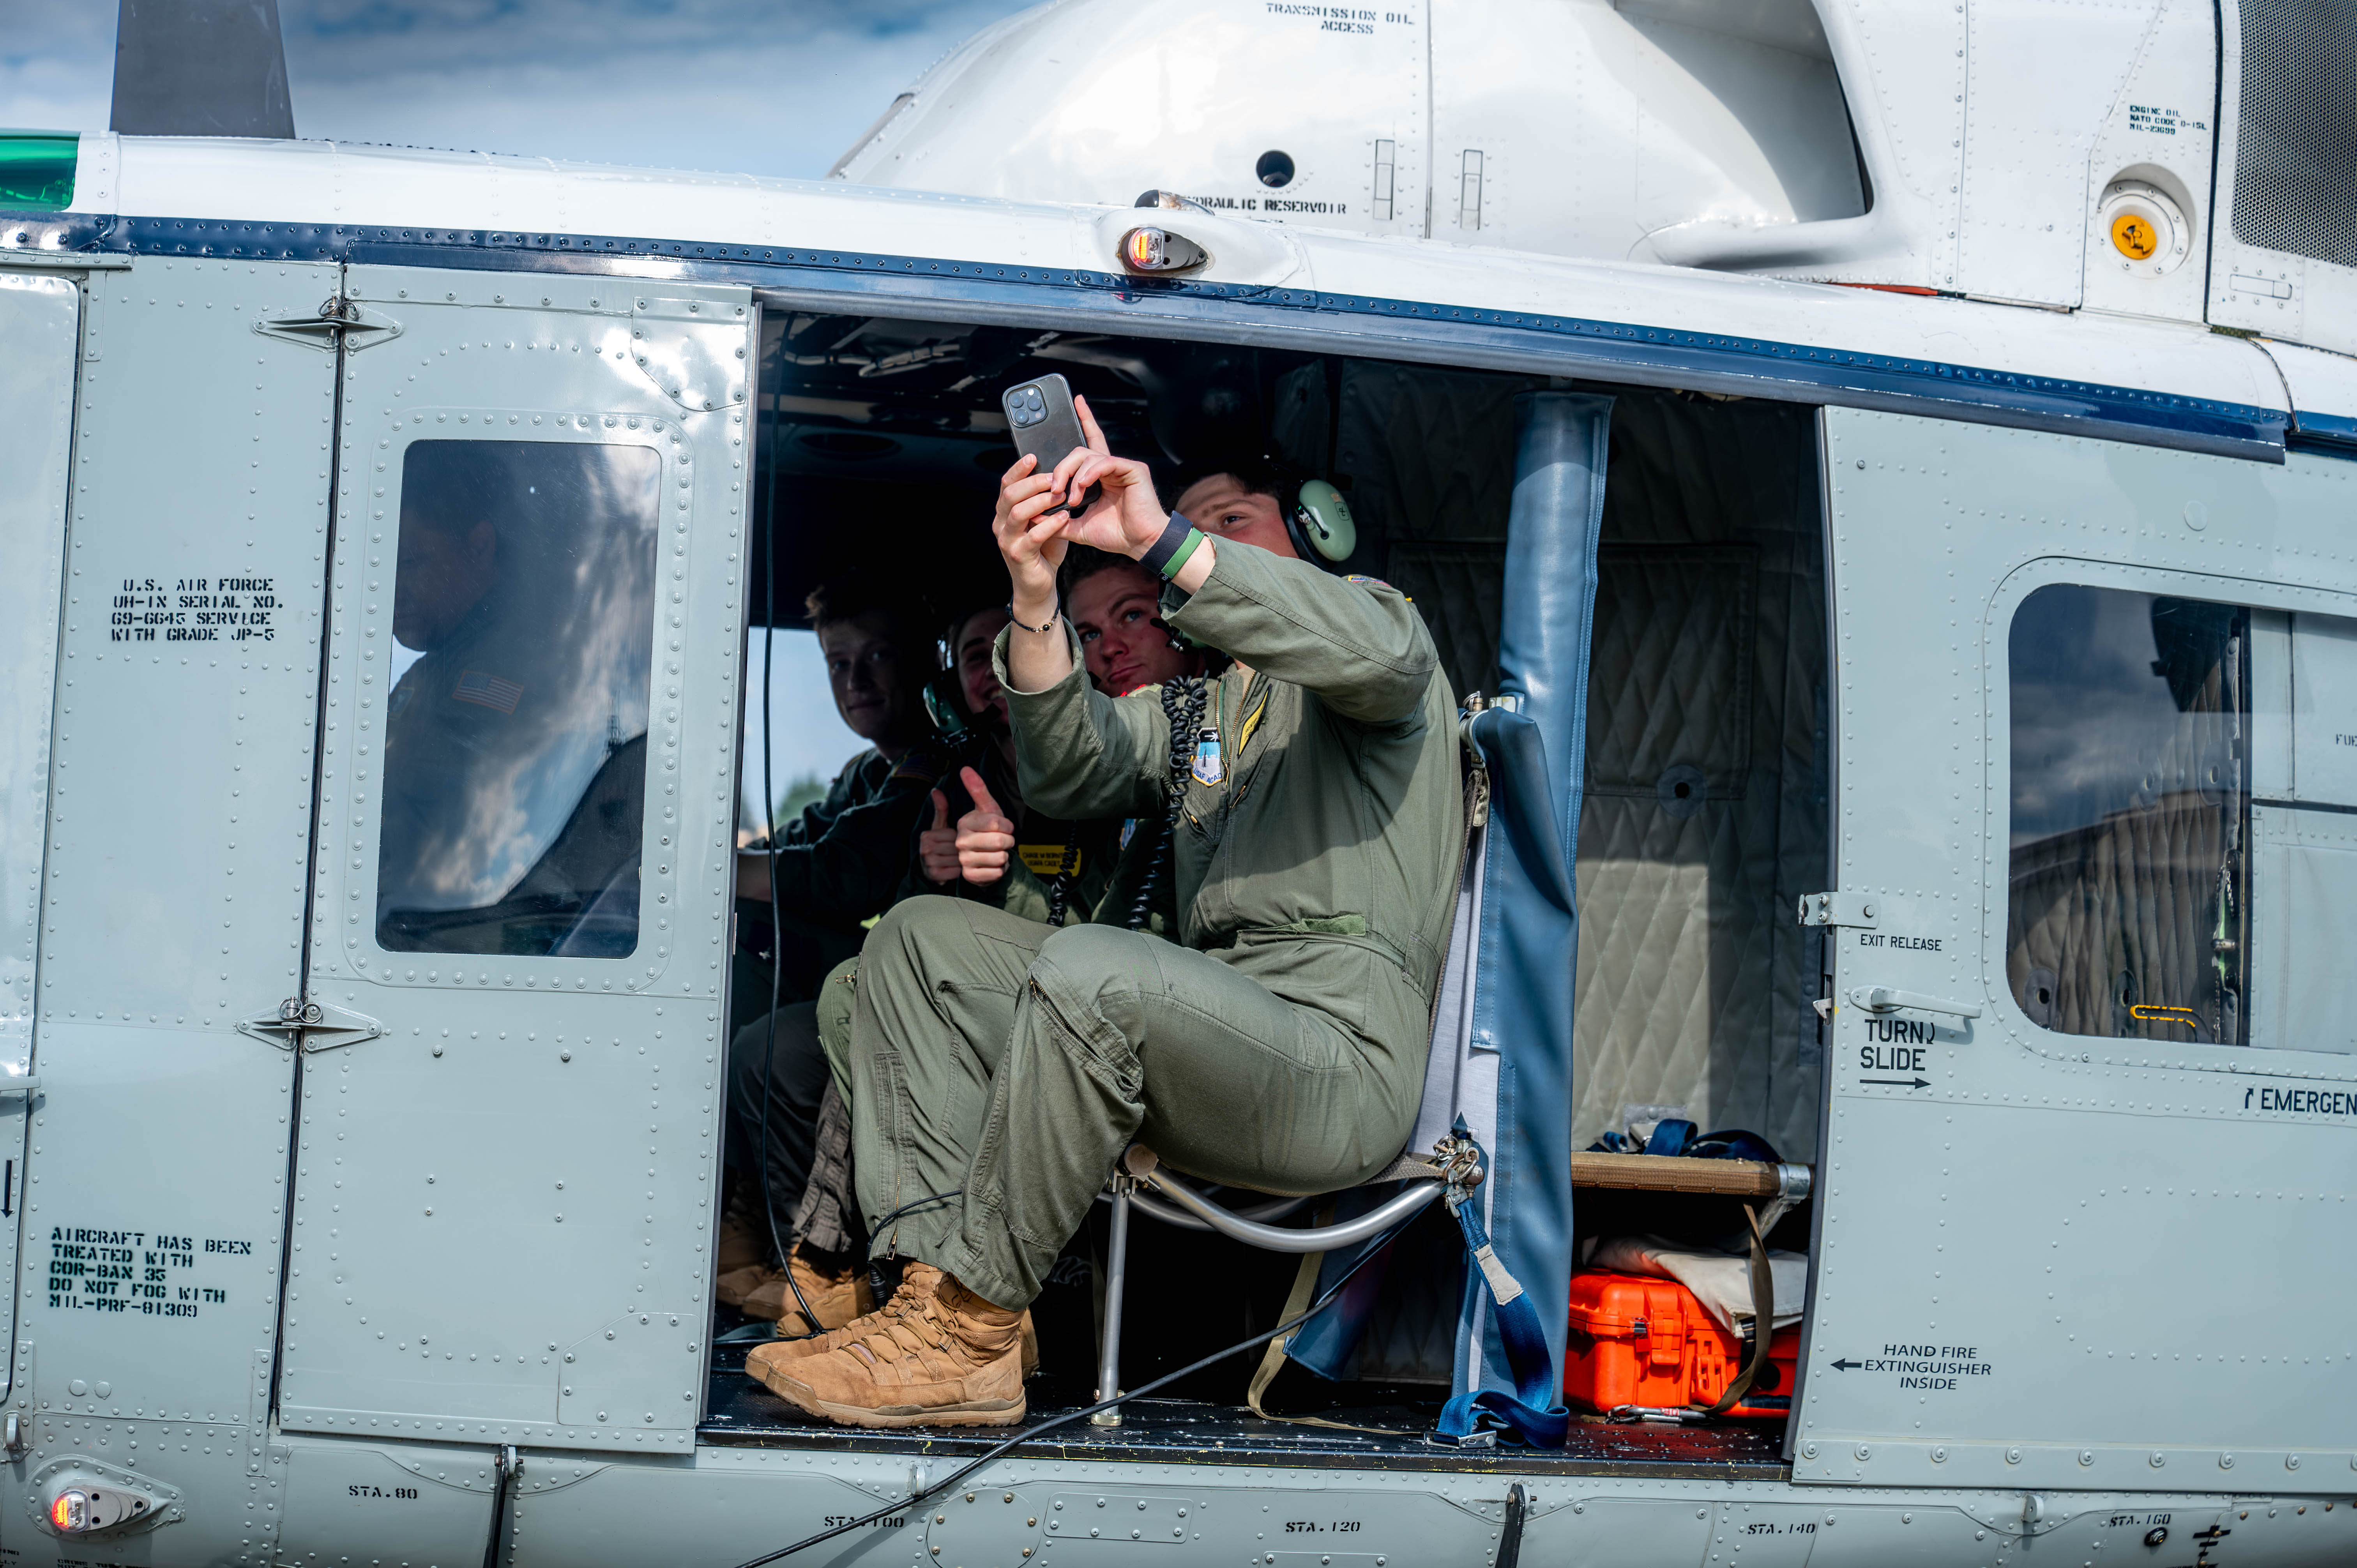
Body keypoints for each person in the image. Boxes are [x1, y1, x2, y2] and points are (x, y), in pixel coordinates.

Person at [745, 404, 1463, 1429]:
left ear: (1314, 538)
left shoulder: (1382, 635)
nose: (1202, 539)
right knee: (918, 946)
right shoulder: (1206, 713)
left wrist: (1163, 535)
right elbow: (1071, 767)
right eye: (1193, 524)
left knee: (1096, 967)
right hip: (1218, 1033)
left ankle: (966, 1326)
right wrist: (1035, 596)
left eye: (1233, 521)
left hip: (1335, 1057)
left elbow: (1371, 655)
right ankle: (937, 1312)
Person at [717, 572, 945, 1329]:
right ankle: (744, 1231)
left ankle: (816, 1265)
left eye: (878, 655)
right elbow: (803, 837)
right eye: (837, 662)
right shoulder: (867, 771)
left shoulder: (937, 762)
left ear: (925, 661)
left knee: (764, 1039)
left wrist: (718, 868)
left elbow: (850, 870)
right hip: (859, 979)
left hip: (907, 993)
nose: (855, 679)